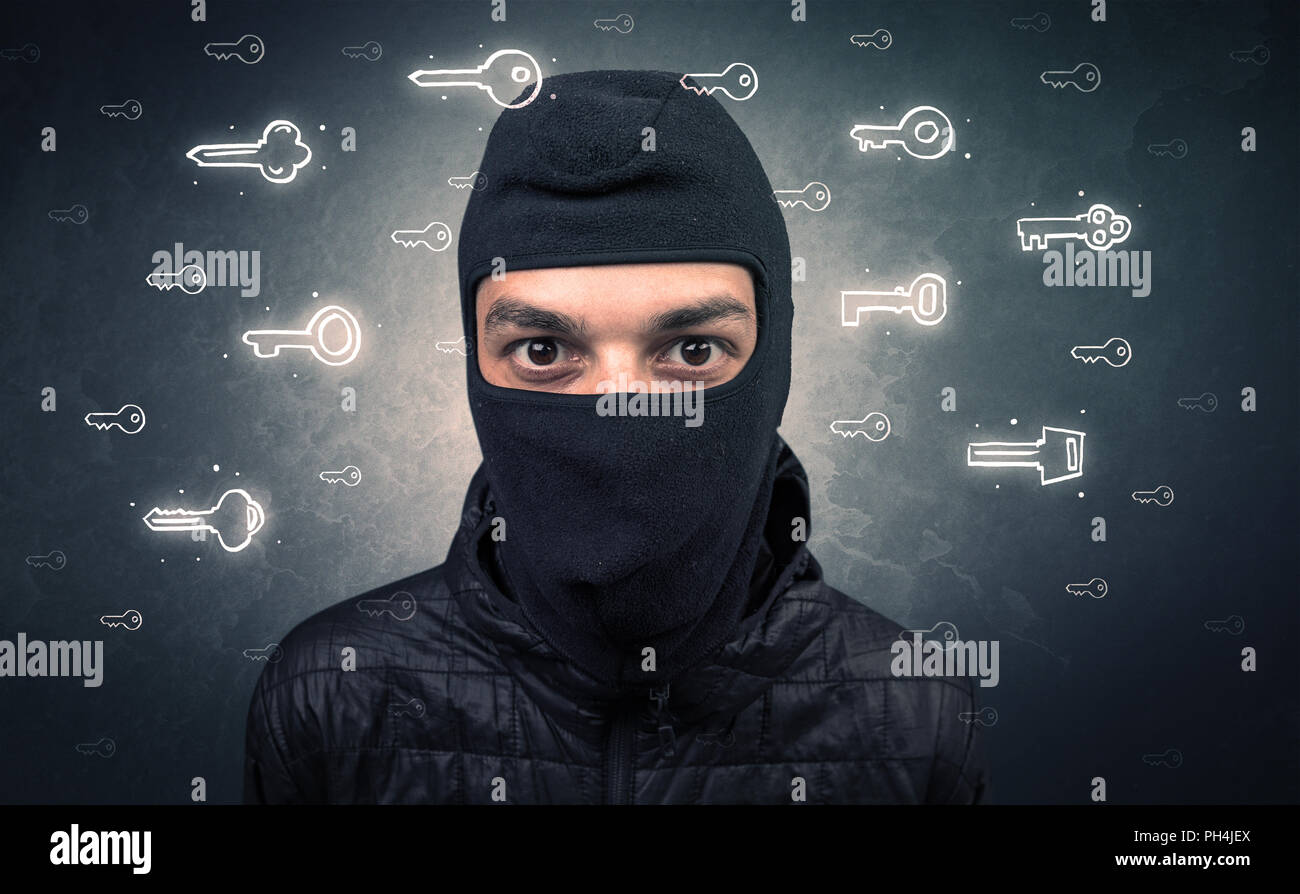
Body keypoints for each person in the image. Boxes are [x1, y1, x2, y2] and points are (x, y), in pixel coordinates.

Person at [243, 68, 990, 804]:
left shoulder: (916, 709)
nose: (622, 410)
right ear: (475, 359)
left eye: (692, 351)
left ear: (776, 357)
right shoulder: (328, 697)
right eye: (544, 351)